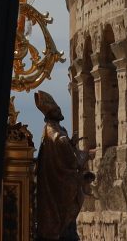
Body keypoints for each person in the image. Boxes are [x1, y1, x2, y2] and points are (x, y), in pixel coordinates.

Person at [32, 90, 92, 241]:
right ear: (53, 113)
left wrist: (71, 144)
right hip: (58, 184)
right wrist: (79, 152)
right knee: (62, 217)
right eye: (57, 110)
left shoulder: (55, 128)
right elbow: (64, 150)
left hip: (60, 180)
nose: (60, 112)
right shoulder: (54, 132)